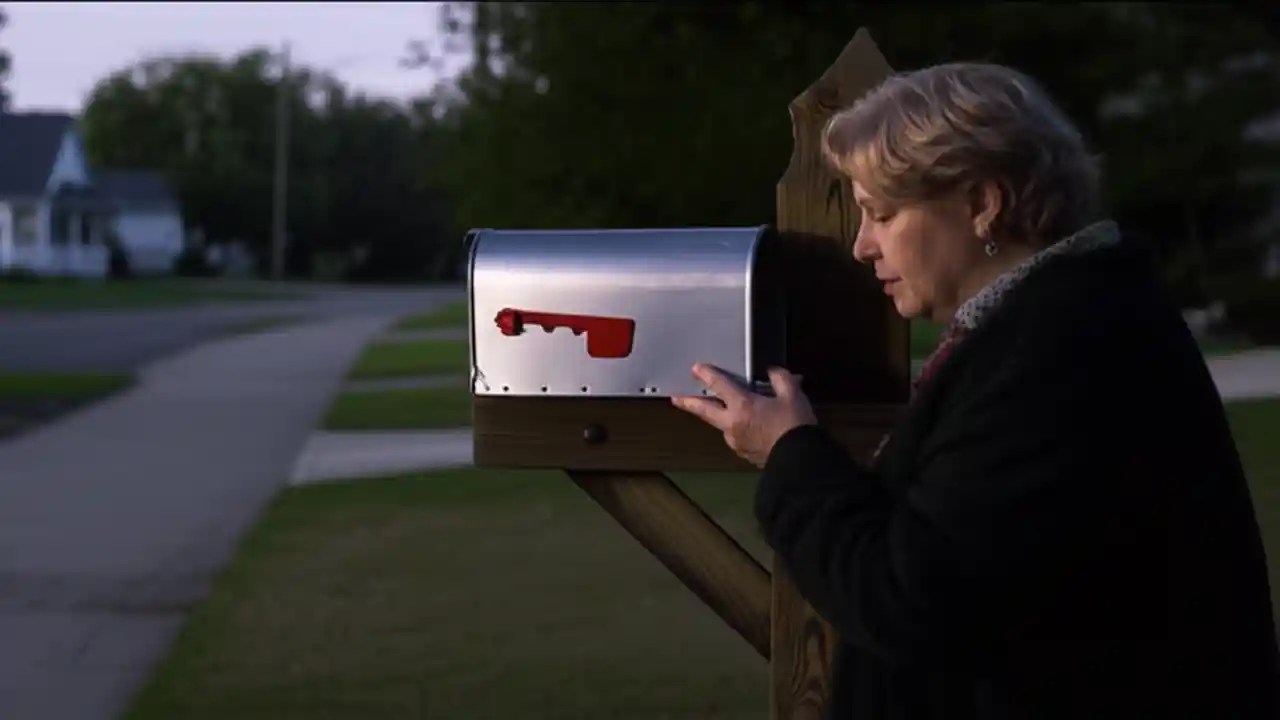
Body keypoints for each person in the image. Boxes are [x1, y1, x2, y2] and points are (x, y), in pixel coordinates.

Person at [672, 62, 1280, 719]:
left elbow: (913, 600)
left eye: (880, 213)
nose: (861, 247)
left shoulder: (1063, 351)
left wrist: (790, 452)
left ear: (982, 204)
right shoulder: (1064, 322)